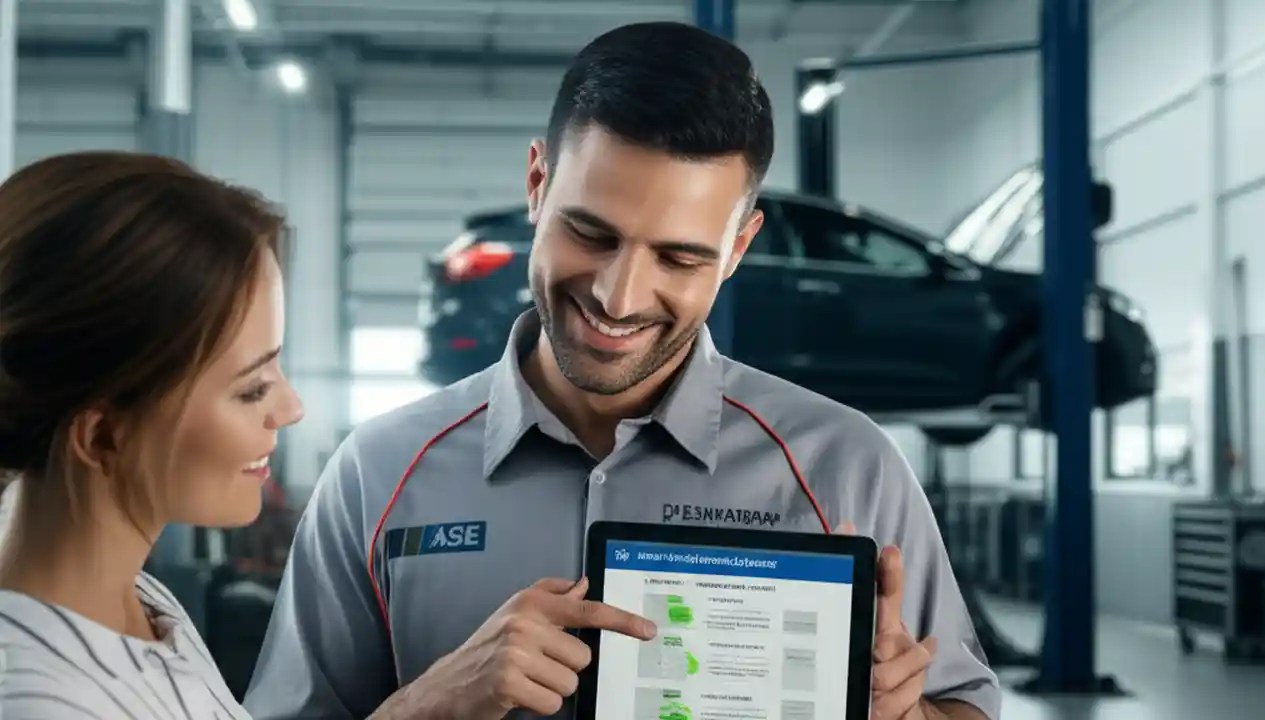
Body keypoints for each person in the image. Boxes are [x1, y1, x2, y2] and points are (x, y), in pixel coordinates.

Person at [246, 21, 999, 720]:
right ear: (537, 185)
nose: (619, 297)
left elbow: (961, 706)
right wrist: (429, 704)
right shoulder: (377, 475)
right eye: (590, 233)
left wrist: (910, 716)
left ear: (738, 248)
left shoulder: (846, 467)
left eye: (678, 257)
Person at [0, 152, 304, 718]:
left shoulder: (132, 599)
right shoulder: (41, 703)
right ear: (102, 437)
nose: (291, 409)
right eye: (252, 389)